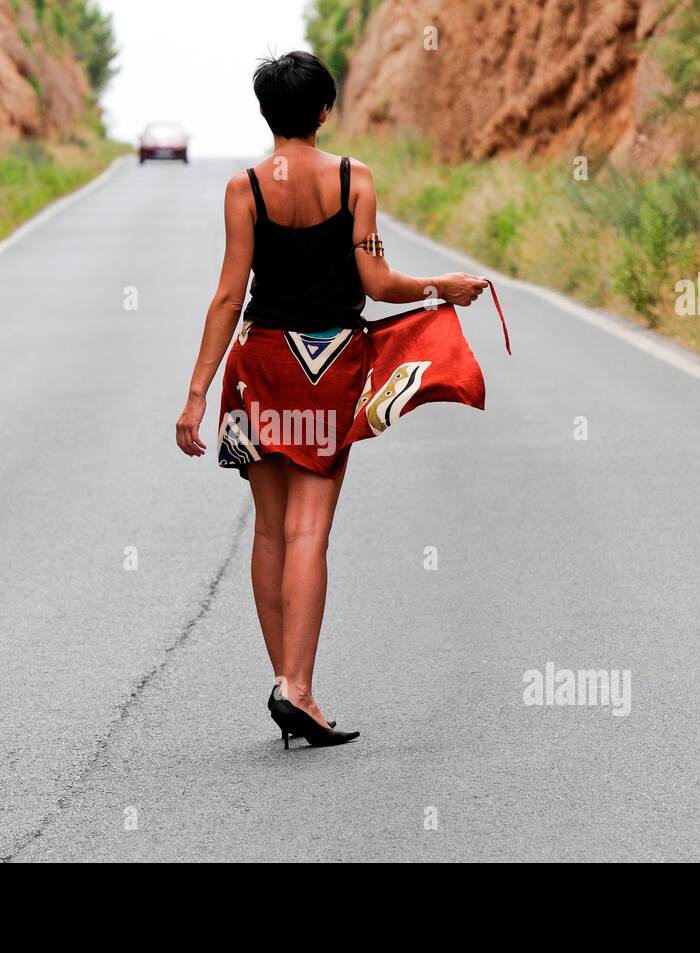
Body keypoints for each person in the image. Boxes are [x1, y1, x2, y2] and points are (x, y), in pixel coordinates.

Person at [175, 51, 492, 749]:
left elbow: (229, 296)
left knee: (267, 529)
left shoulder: (243, 190)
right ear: (324, 112)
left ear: (266, 114)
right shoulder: (356, 180)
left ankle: (286, 680)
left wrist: (196, 393)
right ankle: (297, 687)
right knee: (308, 532)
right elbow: (376, 280)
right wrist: (445, 284)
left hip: (259, 362)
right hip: (328, 365)